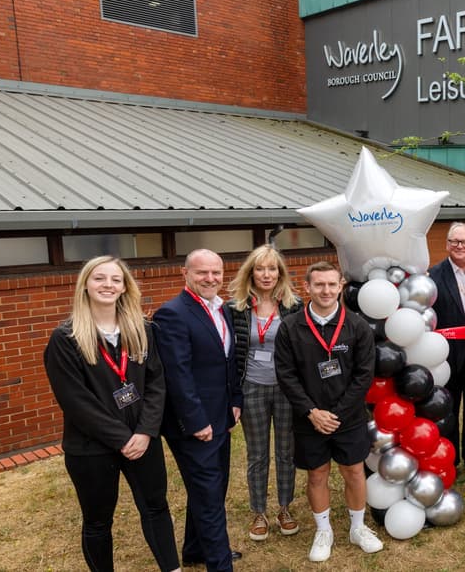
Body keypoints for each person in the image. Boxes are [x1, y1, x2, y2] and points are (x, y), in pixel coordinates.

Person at [44, 256, 181, 572]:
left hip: (143, 440)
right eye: (99, 278)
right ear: (86, 285)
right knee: (97, 521)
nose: (108, 285)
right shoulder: (66, 339)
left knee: (156, 507)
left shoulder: (143, 330)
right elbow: (76, 401)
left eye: (115, 279)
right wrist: (123, 439)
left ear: (124, 287)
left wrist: (145, 431)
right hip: (91, 448)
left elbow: (157, 382)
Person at [274, 261, 381, 563]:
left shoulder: (357, 326)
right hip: (309, 419)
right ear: (306, 287)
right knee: (317, 474)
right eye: (319, 284)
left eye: (332, 284)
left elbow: (364, 375)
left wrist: (338, 413)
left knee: (354, 471)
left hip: (348, 418)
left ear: (341, 286)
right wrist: (312, 412)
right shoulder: (291, 327)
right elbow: (286, 375)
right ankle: (324, 531)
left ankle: (357, 528)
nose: (326, 290)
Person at [155, 249, 241, 571]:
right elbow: (178, 373)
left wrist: (236, 402)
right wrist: (196, 422)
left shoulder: (222, 309)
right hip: (194, 424)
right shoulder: (172, 313)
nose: (210, 279)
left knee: (213, 488)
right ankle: (220, 565)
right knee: (208, 496)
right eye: (202, 273)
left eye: (216, 273)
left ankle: (195, 550)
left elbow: (227, 360)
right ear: (185, 274)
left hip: (221, 416)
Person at [226, 244, 302, 542]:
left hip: (286, 390)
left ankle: (284, 508)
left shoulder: (293, 306)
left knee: (286, 452)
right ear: (251, 273)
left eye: (272, 268)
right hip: (252, 388)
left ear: (279, 273)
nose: (266, 274)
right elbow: (230, 356)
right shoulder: (236, 308)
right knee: (257, 454)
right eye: (260, 268)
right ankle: (259, 511)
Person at [428, 222, 465, 474]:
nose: (460, 246)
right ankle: (451, 458)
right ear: (447, 244)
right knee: (448, 409)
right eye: (454, 241)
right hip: (448, 356)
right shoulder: (434, 276)